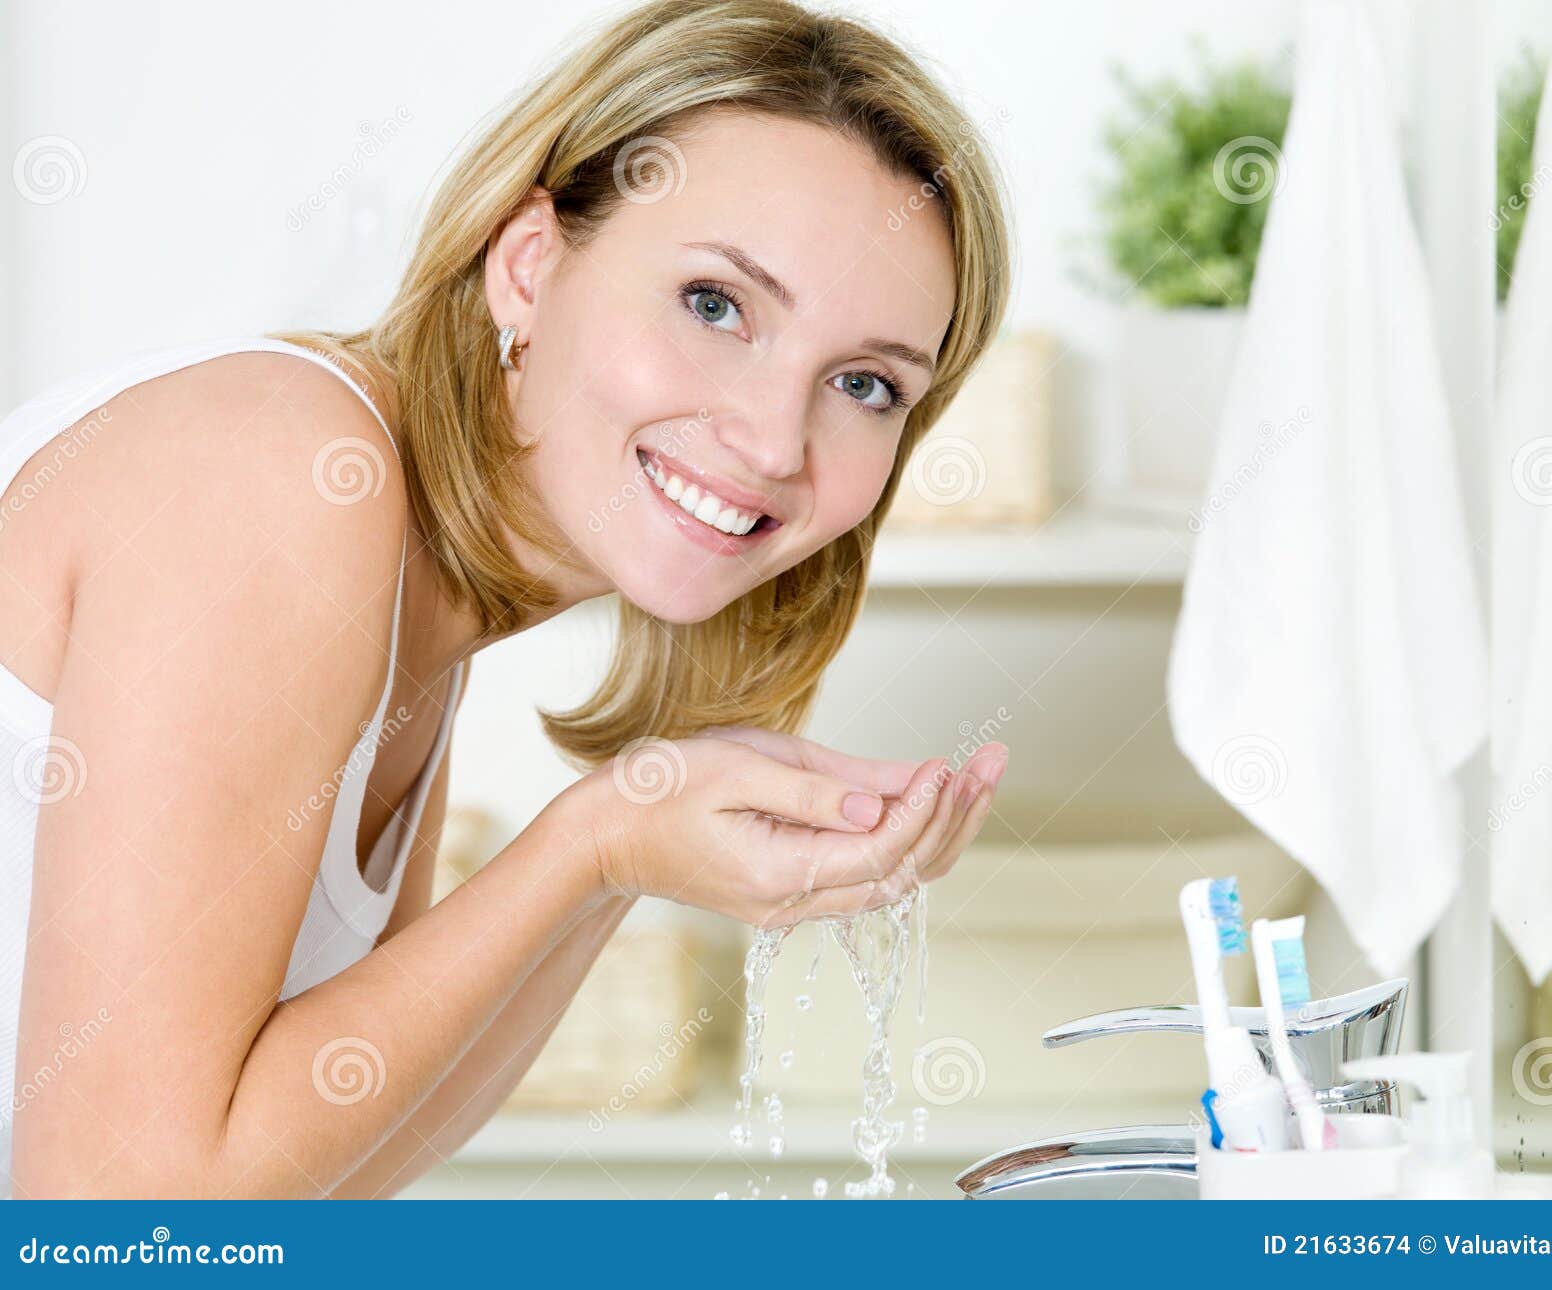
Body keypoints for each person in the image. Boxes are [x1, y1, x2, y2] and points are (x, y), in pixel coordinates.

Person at [0, 0, 1012, 1198]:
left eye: (864, 383)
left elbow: (354, 1157)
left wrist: (623, 858)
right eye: (714, 303)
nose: (772, 438)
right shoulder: (287, 471)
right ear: (529, 264)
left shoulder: (420, 589)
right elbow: (114, 1217)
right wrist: (592, 842)